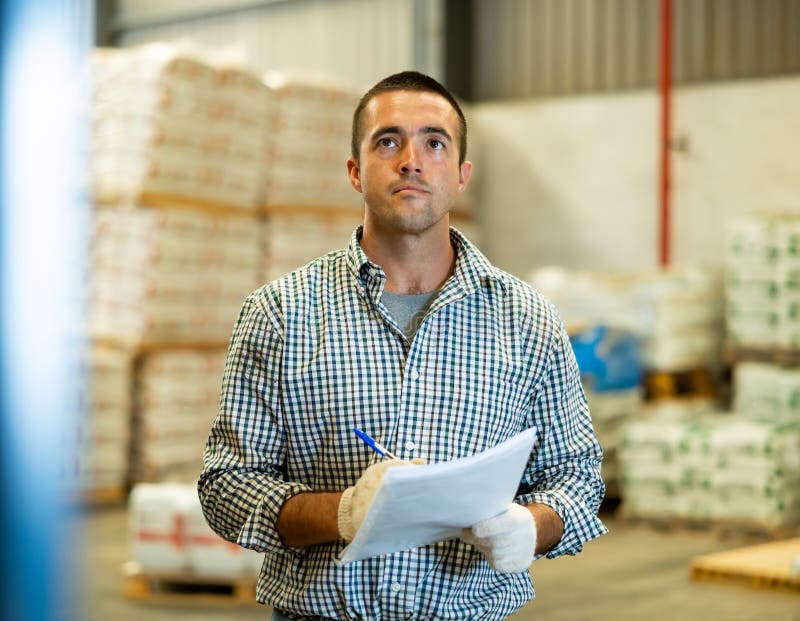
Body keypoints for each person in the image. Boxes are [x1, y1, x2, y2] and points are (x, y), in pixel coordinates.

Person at [199, 70, 607, 621]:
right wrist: (342, 512)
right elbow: (227, 487)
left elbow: (577, 476)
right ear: (354, 171)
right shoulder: (280, 314)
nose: (411, 159)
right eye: (387, 140)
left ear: (462, 175)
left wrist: (532, 527)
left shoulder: (526, 320)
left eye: (434, 142)